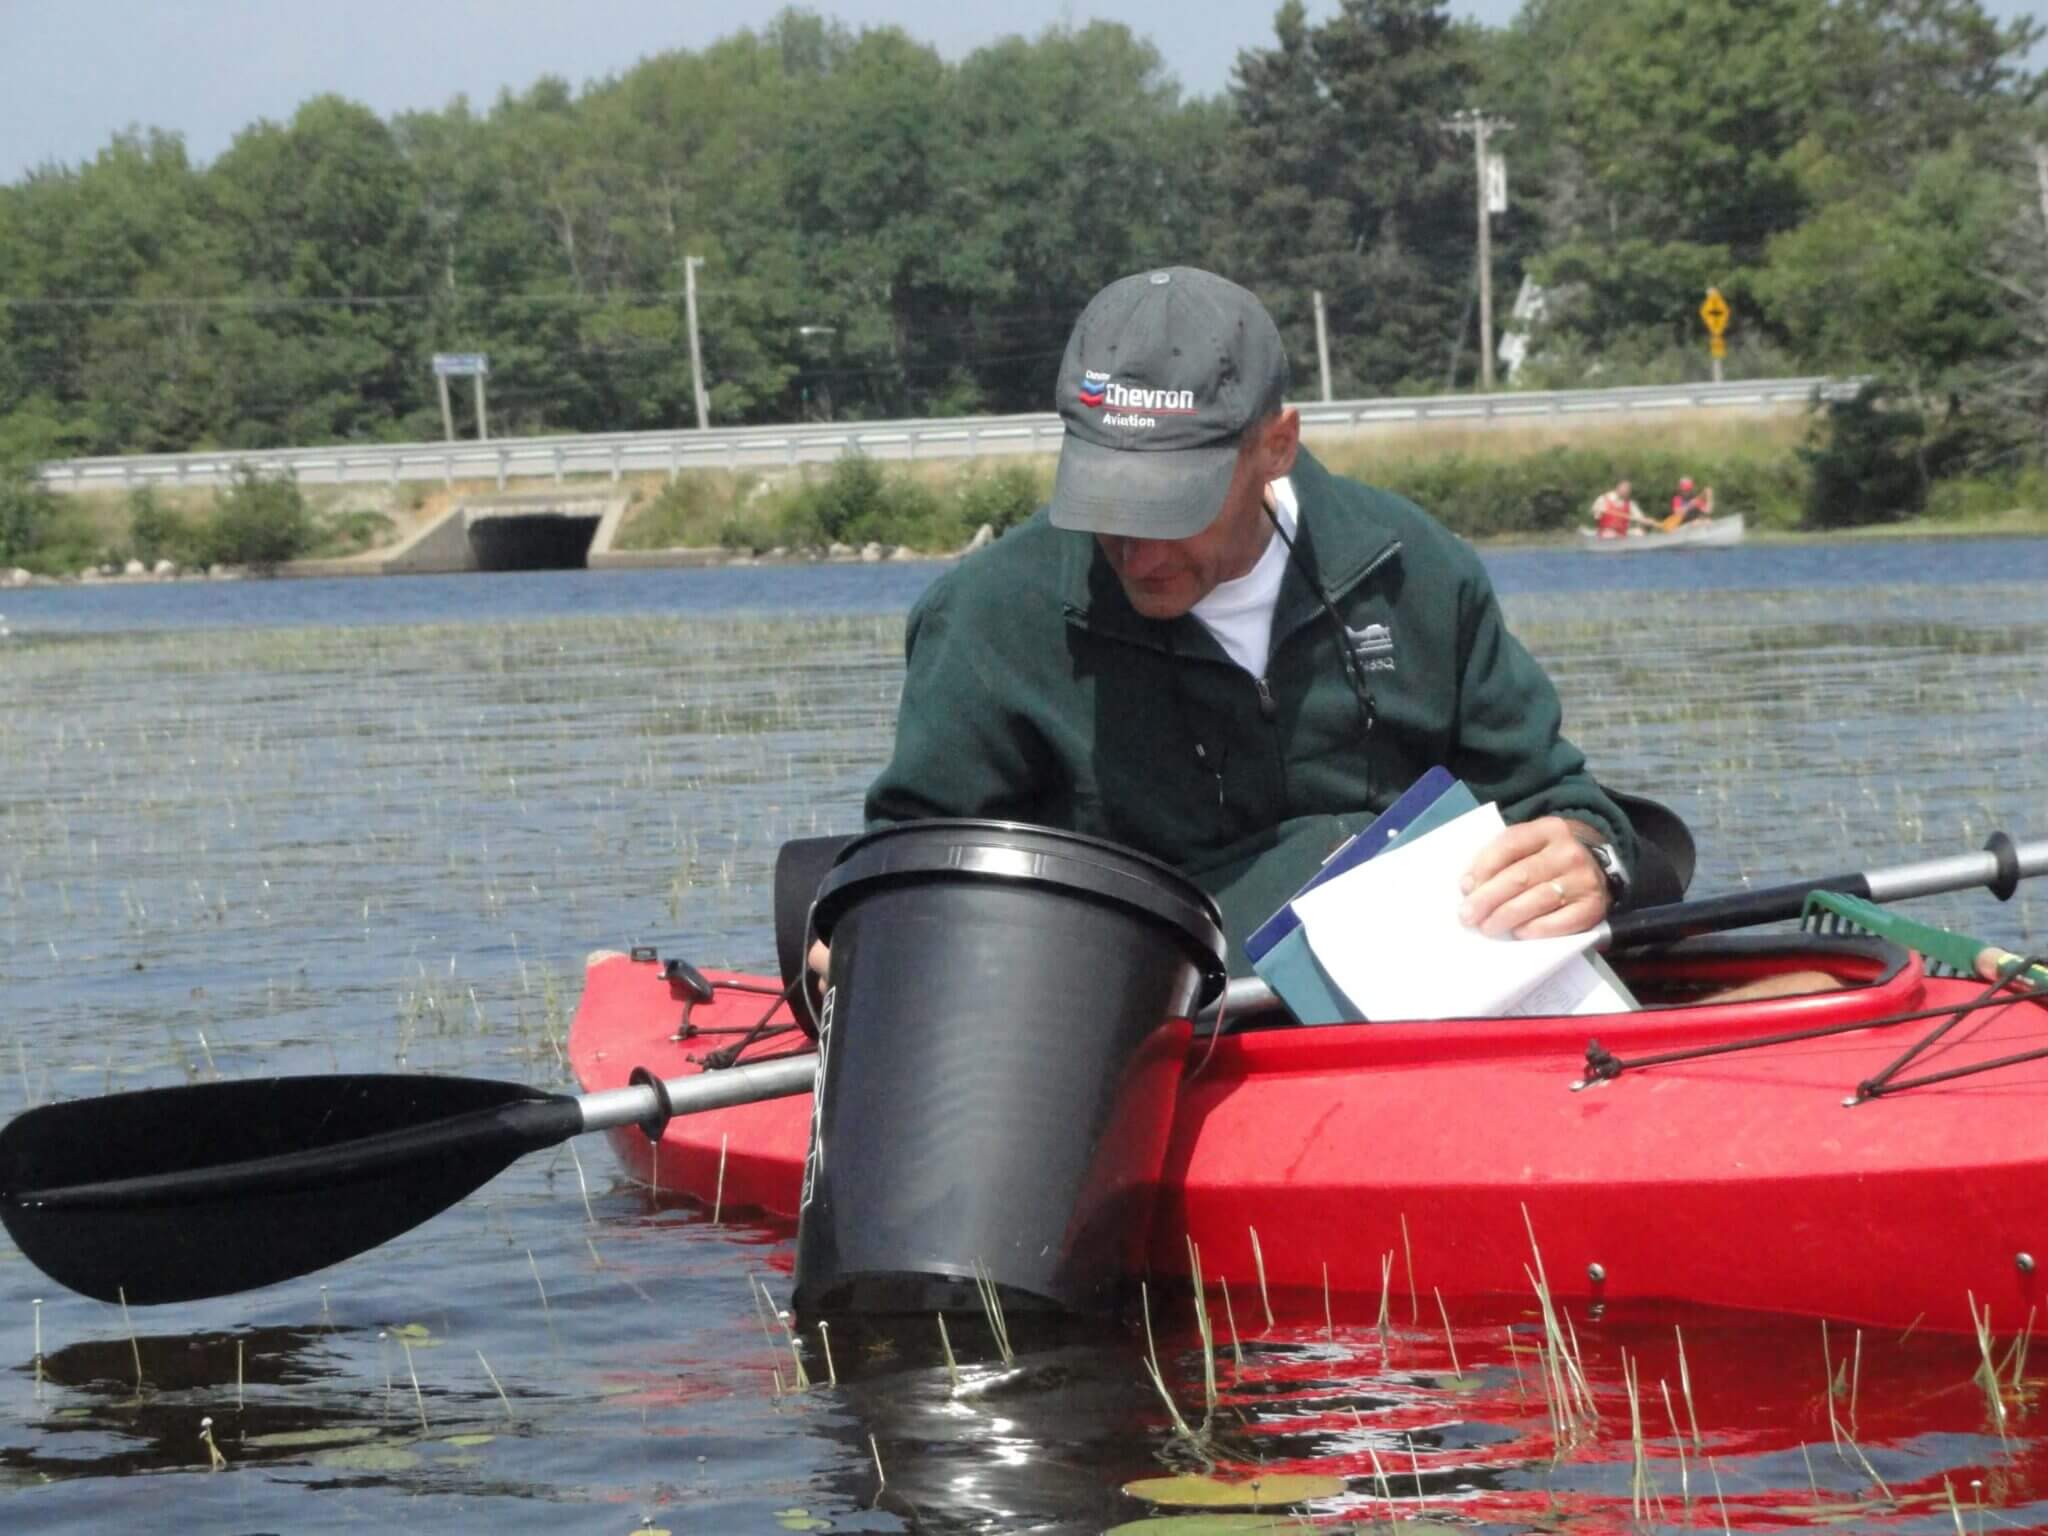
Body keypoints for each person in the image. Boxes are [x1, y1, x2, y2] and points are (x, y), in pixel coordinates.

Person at [857, 267, 1641, 973]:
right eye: (1104, 502)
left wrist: (1592, 860)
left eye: (1173, 507)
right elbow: (906, 875)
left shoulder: (1418, 572)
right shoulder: (988, 618)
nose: (1136, 551)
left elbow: (1561, 802)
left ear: (1278, 446)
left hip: (1423, 1035)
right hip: (1144, 1038)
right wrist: (867, 930)